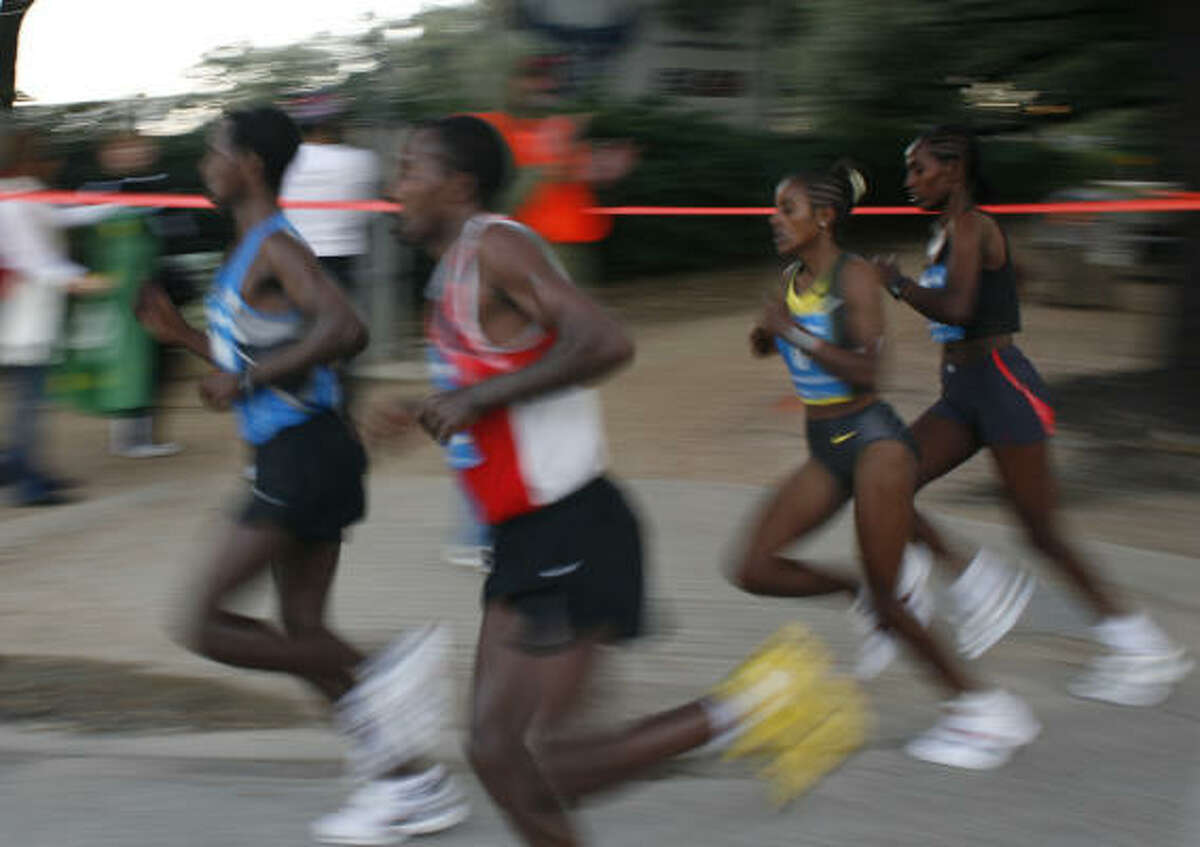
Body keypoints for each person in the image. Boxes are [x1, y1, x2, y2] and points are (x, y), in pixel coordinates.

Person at [371, 115, 864, 846]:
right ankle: (755, 704)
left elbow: (606, 340)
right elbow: (504, 379)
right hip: (527, 535)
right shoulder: (452, 276)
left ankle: (762, 701)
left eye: (411, 169)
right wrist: (426, 407)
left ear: (459, 184)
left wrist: (473, 399)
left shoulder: (498, 246)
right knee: (498, 752)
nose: (396, 185)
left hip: (573, 524)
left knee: (537, 759)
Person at [133, 106, 468, 845]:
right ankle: (410, 782)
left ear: (249, 163)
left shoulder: (278, 244)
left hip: (303, 455)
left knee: (204, 620)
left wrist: (246, 381)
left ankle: (389, 666)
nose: (205, 164)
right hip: (306, 452)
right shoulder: (248, 252)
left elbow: (345, 327)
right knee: (304, 629)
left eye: (215, 151)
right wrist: (182, 335)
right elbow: (255, 363)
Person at [729, 162, 1039, 771]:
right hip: (827, 446)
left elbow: (871, 373)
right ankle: (858, 594)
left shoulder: (858, 279)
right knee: (754, 566)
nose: (773, 218)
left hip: (876, 449)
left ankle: (985, 710)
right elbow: (787, 338)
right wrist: (769, 337)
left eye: (786, 209)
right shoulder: (796, 276)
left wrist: (792, 333)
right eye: (774, 208)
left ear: (824, 217)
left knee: (895, 602)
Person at [875, 124, 1192, 706]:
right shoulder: (952, 231)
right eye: (909, 169)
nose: (910, 180)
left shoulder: (972, 226)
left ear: (954, 169)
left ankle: (1145, 649)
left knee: (1042, 532)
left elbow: (961, 309)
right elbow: (1006, 281)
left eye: (919, 168)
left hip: (1001, 389)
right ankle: (975, 582)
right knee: (885, 478)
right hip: (963, 390)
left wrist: (898, 284)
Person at [0, 126, 106, 506]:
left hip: (28, 315)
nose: (56, 163)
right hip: (22, 317)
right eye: (48, 154)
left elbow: (60, 218)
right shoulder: (13, 198)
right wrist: (82, 280)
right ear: (30, 158)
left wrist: (111, 205)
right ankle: (24, 481)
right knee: (29, 400)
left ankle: (19, 466)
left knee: (29, 399)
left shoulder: (23, 190)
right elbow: (34, 261)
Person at [280, 91, 380, 417]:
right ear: (334, 123)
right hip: (341, 262)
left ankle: (289, 417)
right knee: (341, 344)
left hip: (291, 263)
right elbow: (366, 215)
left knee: (290, 345)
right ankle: (338, 420)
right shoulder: (361, 161)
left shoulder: (282, 162)